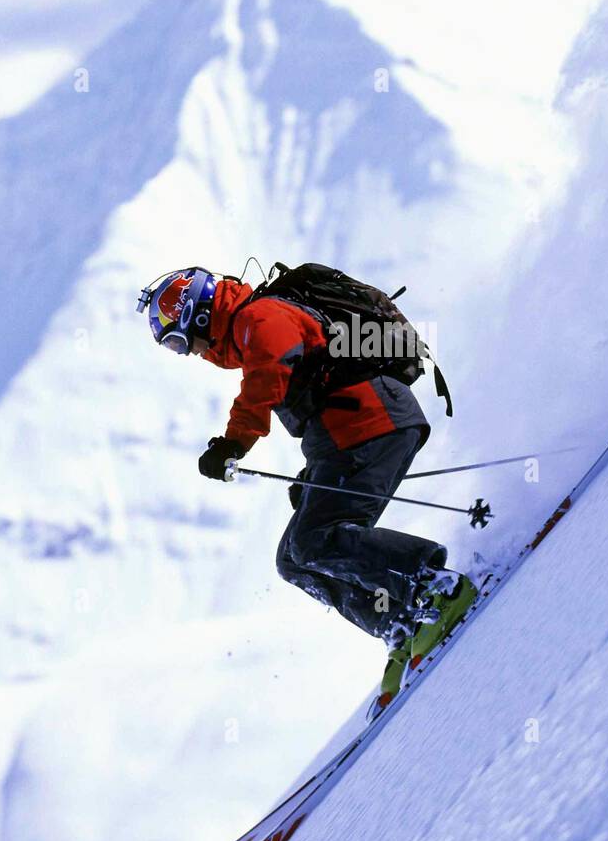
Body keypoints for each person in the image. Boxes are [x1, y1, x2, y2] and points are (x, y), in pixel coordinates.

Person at [137, 265, 477, 711]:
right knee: (293, 559)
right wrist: (314, 476)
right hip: (355, 431)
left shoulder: (258, 319)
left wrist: (232, 443)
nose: (190, 353)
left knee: (316, 540)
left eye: (180, 341)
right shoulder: (252, 328)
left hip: (375, 420)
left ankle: (436, 589)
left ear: (199, 315)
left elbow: (267, 375)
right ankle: (402, 622)